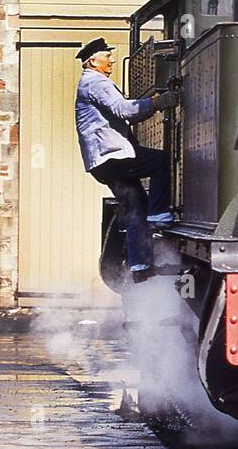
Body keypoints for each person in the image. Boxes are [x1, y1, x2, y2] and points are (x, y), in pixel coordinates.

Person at [74, 37, 179, 278]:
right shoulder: (97, 83)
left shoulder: (89, 83)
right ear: (93, 61)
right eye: (106, 55)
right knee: (160, 161)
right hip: (112, 157)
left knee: (134, 207)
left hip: (100, 162)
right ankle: (160, 215)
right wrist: (158, 102)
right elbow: (125, 110)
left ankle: (139, 266)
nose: (111, 58)